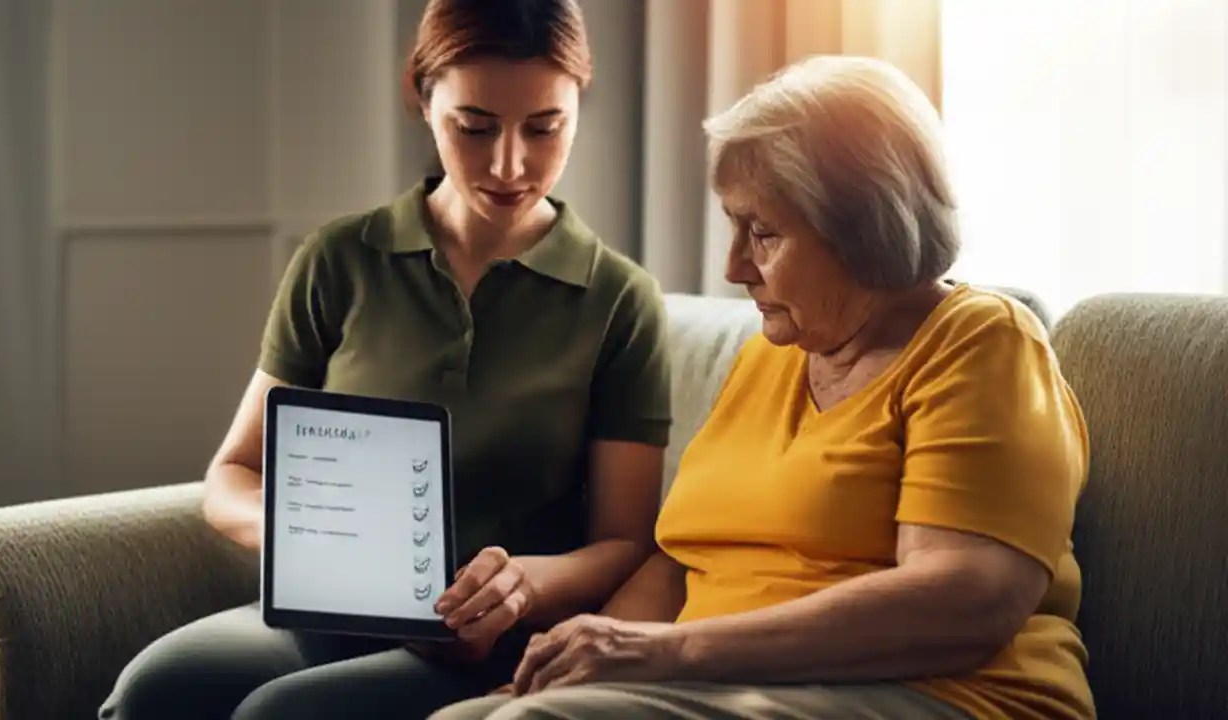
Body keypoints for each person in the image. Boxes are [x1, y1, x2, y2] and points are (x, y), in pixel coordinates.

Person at [431, 56, 1094, 720]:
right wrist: (581, 666)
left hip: (941, 696)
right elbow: (679, 566)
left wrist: (663, 654)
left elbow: (964, 601)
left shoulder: (980, 343)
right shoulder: (770, 358)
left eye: (764, 233)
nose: (734, 265)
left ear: (864, 230)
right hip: (737, 690)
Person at [98, 1, 672, 718]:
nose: (510, 164)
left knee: (275, 715)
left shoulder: (620, 300)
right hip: (326, 616)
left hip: (494, 641)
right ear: (424, 101)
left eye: (545, 128)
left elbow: (624, 542)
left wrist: (517, 586)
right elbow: (232, 475)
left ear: (578, 104)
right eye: (475, 127)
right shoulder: (341, 261)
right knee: (152, 693)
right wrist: (319, 547)